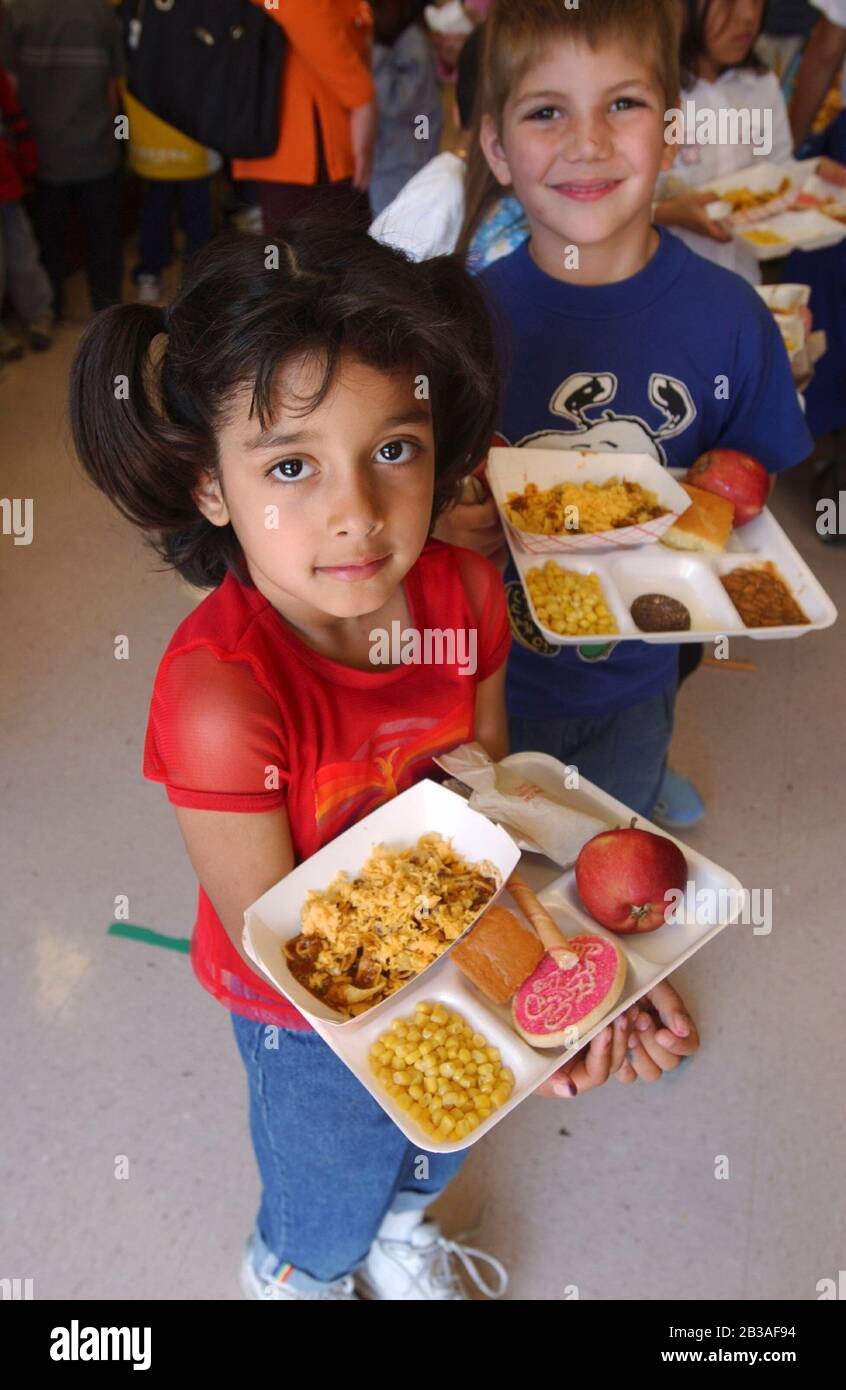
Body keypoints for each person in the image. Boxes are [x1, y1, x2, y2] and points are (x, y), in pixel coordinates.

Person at [70, 223, 687, 1299]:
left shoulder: (465, 593)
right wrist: (506, 1012)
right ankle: (297, 1268)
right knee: (331, 1173)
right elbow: (303, 953)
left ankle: (403, 1225)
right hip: (298, 1014)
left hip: (442, 942)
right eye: (292, 466)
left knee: (436, 1136)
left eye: (393, 448)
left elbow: (483, 801)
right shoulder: (221, 697)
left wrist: (574, 981)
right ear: (212, 488)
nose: (356, 511)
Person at [433, 0, 813, 829]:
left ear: (673, 129)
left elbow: (744, 504)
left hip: (644, 675)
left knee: (617, 833)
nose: (588, 141)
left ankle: (634, 800)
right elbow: (395, 494)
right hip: (483, 677)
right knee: (499, 850)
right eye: (546, 112)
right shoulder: (457, 327)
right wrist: (444, 521)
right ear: (496, 147)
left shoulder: (733, 319)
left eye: (624, 104)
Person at [653, 0, 846, 287]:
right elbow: (616, 206)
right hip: (667, 287)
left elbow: (777, 173)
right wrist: (671, 213)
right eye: (728, 2)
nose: (748, 16)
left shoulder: (762, 86)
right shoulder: (653, 96)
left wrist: (812, 174)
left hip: (744, 281)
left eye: (756, 0)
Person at [0, 0, 124, 316]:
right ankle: (107, 310)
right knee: (103, 239)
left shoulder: (18, 12)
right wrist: (115, 136)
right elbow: (114, 89)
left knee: (49, 238)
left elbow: (9, 85)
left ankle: (52, 307)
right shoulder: (102, 12)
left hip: (42, 151)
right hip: (96, 149)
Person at [231, 0, 378, 235]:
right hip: (306, 138)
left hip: (309, 130)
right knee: (329, 257)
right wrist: (361, 97)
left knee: (324, 254)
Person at [369, 1, 443, 216]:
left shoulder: (413, 44)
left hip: (405, 162)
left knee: (395, 229)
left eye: (377, 8)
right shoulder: (403, 41)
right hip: (397, 159)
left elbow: (401, 102)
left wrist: (374, 55)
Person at [0, 59, 52, 358]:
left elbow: (16, 119)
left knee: (22, 253)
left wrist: (28, 162)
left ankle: (38, 314)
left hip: (7, 181)